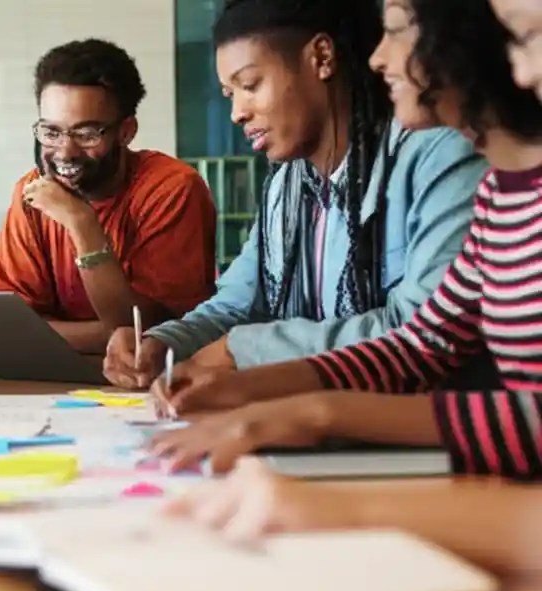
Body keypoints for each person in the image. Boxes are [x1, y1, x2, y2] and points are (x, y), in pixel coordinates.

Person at [151, 0, 542, 482]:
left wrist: (312, 412)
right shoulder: (500, 196)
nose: (377, 59)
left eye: (397, 30)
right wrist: (255, 389)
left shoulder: (451, 162)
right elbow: (419, 346)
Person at [103, 0, 486, 390]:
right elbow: (236, 305)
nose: (237, 112)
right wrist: (162, 343)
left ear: (321, 57)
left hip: (424, 431)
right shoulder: (285, 185)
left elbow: (418, 332)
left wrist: (244, 351)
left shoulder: (436, 155)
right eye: (228, 93)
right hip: (323, 426)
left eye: (250, 85)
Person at [0, 39, 219, 354]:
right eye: (51, 132)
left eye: (86, 134)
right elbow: (6, 326)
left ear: (126, 131)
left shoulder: (172, 189)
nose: (65, 152)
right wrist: (106, 335)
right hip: (46, 375)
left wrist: (81, 222)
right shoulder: (32, 194)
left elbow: (144, 331)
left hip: (152, 378)